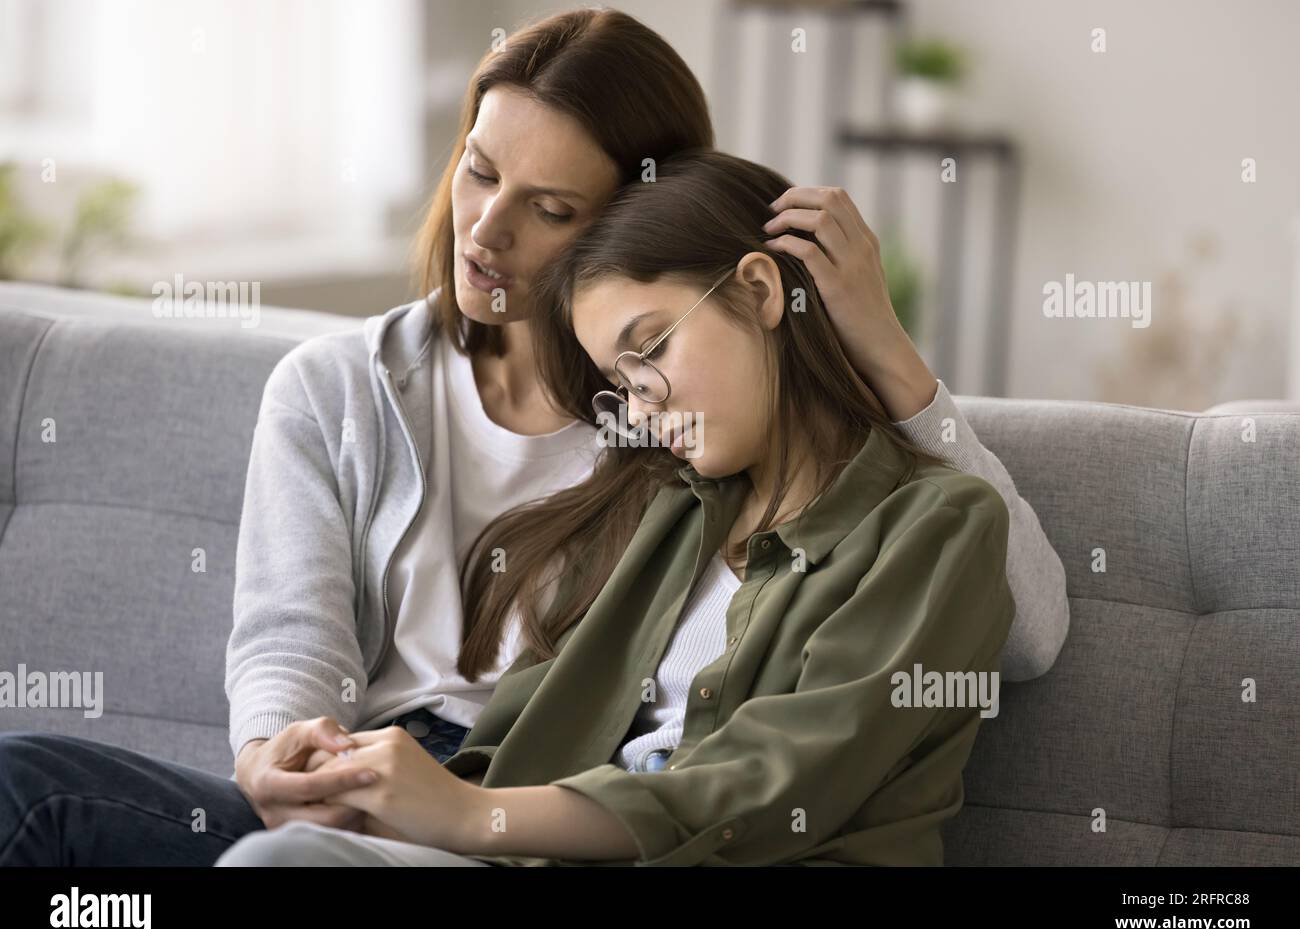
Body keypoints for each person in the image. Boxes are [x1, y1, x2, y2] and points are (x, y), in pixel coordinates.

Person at [0, 8, 1065, 867]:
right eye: (478, 171)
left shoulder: (689, 451)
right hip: (442, 783)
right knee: (32, 791)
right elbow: (297, 639)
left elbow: (1008, 614)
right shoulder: (359, 391)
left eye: (552, 209)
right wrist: (288, 759)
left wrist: (883, 349)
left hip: (525, 808)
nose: (486, 229)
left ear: (630, 218)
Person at [217, 149, 1017, 867]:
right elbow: (526, 722)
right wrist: (374, 794)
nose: (641, 408)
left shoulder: (940, 526)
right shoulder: (667, 506)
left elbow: (773, 785)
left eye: (653, 349)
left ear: (758, 290)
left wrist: (468, 815)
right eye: (622, 382)